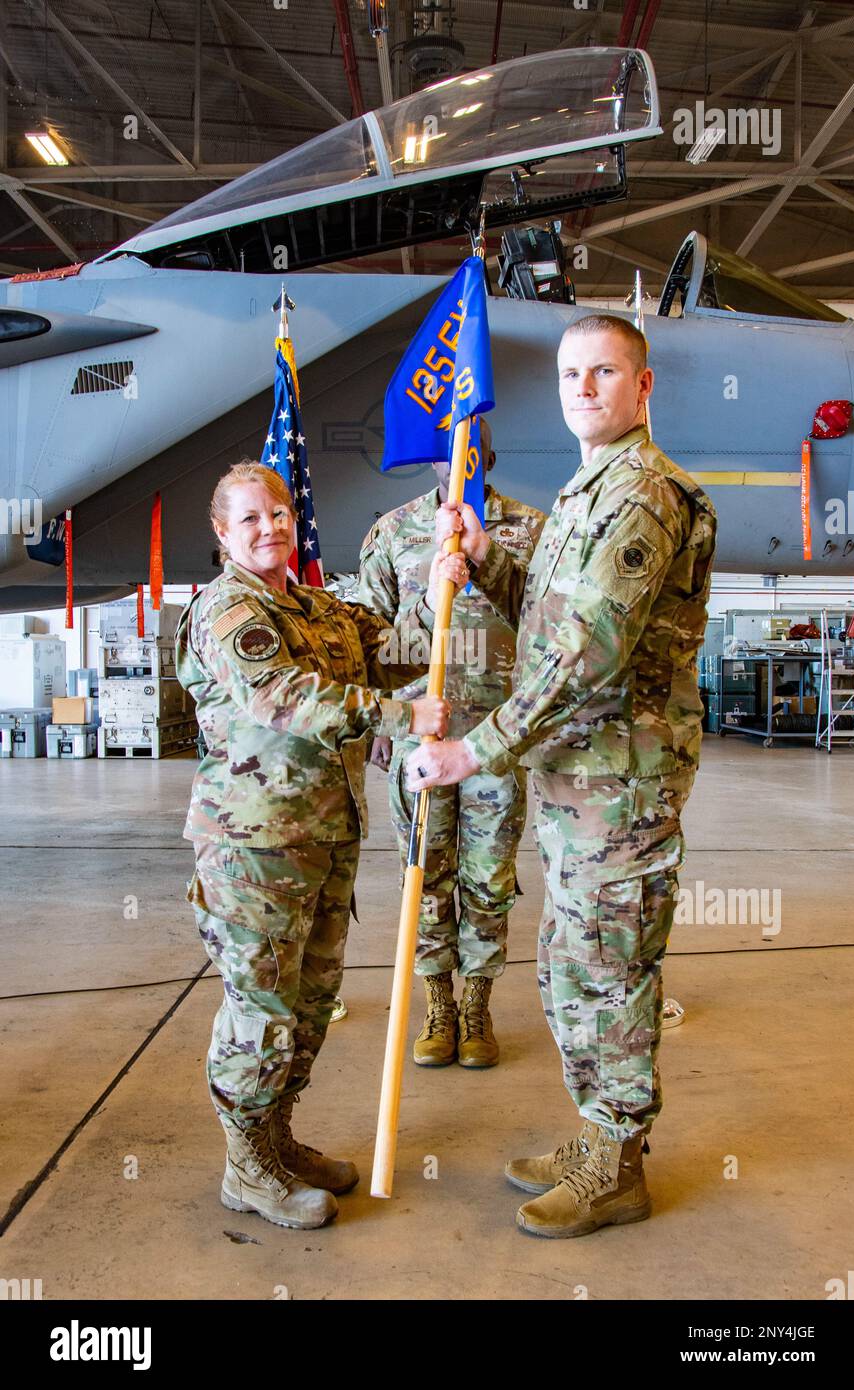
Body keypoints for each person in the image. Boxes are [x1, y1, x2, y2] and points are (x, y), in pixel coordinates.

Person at [405, 316, 717, 1238]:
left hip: (621, 780)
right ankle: (596, 1136)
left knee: (609, 971)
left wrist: (475, 750)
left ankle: (617, 1164)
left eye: (603, 372)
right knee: (571, 967)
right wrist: (488, 557)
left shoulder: (643, 494)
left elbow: (587, 651)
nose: (582, 388)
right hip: (579, 779)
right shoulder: (588, 488)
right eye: (569, 374)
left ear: (642, 386)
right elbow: (550, 615)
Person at [175, 460, 467, 1230]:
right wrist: (404, 720)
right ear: (221, 533)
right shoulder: (226, 611)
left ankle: (276, 1138)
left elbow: (395, 651)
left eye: (278, 513)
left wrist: (443, 585)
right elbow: (281, 695)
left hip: (327, 834)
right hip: (255, 845)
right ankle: (246, 1166)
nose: (270, 528)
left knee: (308, 1006)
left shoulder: (318, 607)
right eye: (249, 519)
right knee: (262, 1010)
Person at [356, 419, 545, 1068]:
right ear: (429, 455)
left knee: (488, 882)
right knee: (424, 879)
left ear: (490, 450)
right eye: (448, 441)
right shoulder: (392, 533)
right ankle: (438, 1004)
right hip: (419, 741)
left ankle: (477, 1006)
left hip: (495, 744)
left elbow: (552, 630)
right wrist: (382, 723)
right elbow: (370, 641)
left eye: (473, 438)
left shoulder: (529, 530)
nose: (462, 451)